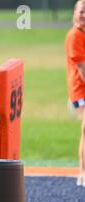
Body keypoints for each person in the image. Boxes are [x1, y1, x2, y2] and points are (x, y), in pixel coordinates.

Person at [65, 0, 85, 187]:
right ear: (74, 13)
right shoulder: (75, 36)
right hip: (80, 92)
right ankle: (83, 172)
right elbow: (82, 68)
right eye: (81, 12)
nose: (83, 15)